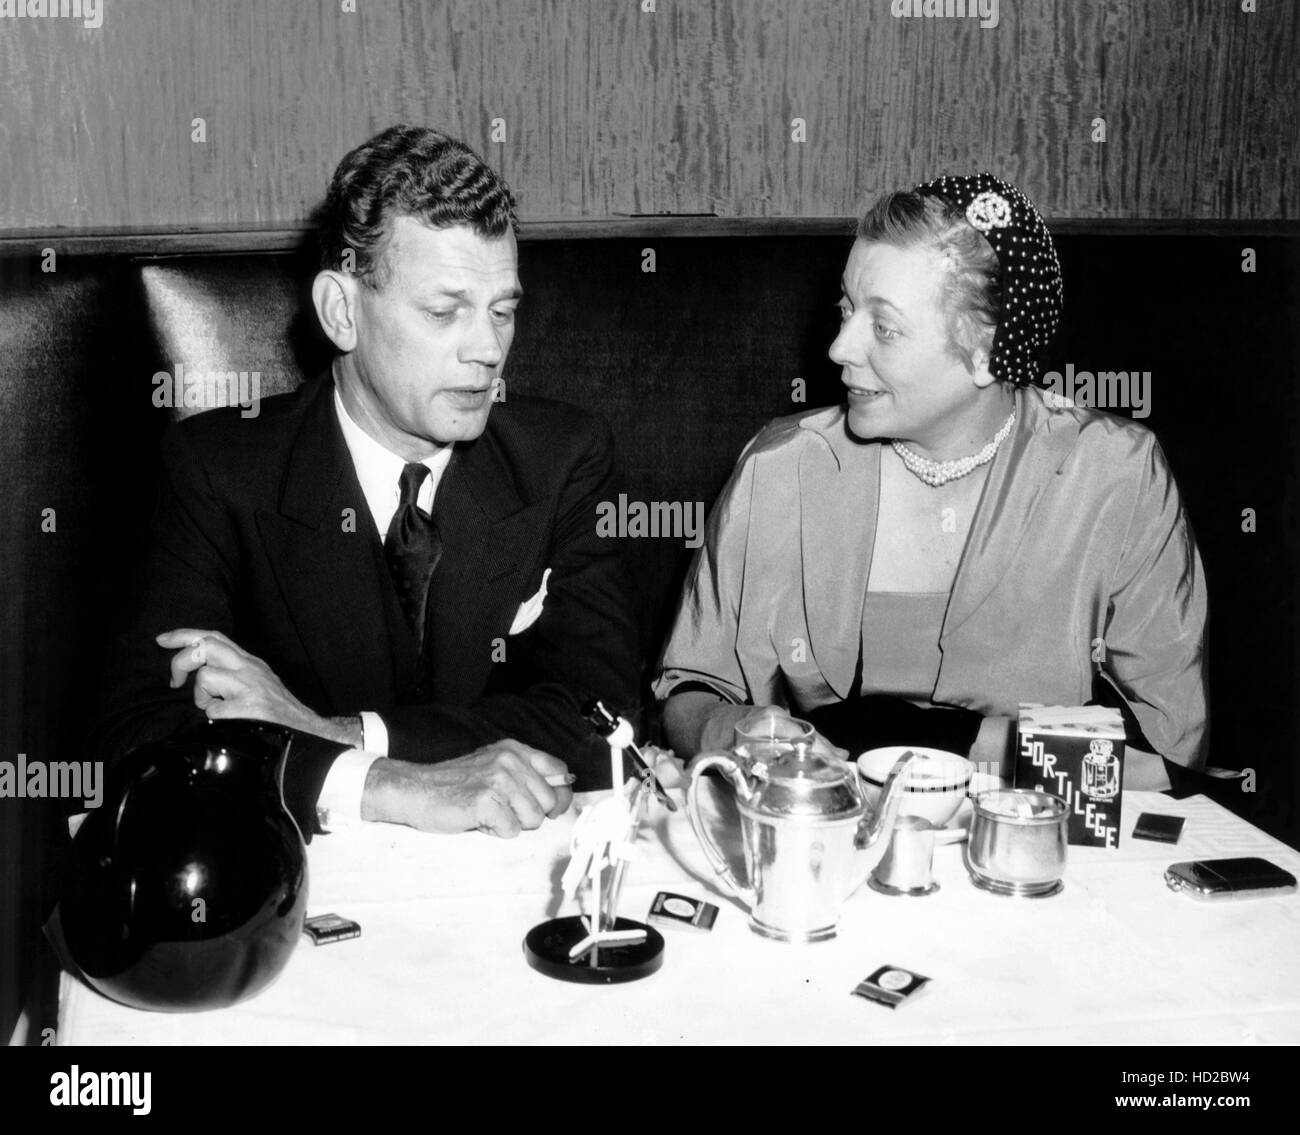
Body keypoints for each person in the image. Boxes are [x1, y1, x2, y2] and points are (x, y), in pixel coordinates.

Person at [93, 125, 640, 838]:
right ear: (341, 311)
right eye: (445, 312)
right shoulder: (217, 470)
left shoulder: (562, 457)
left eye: (503, 311)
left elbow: (605, 727)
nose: (487, 349)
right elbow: (134, 739)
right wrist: (386, 783)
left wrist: (332, 731)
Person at [655, 173, 1207, 791]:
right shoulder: (781, 468)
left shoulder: (1114, 475)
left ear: (984, 351)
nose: (839, 347)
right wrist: (737, 730)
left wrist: (916, 739)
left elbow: (1165, 760)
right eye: (846, 307)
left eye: (884, 328)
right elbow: (688, 695)